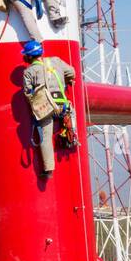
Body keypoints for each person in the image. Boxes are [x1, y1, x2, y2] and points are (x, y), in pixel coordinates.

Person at [21, 40, 76, 176]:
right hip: (62, 105)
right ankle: (74, 137)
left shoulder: (28, 72)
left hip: (46, 108)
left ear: (28, 56)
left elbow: (28, 93)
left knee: (45, 137)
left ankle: (48, 170)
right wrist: (68, 80)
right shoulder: (56, 61)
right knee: (71, 114)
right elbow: (72, 72)